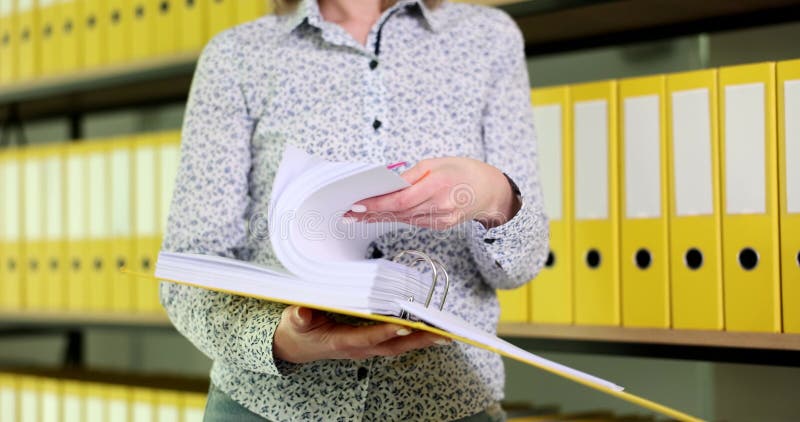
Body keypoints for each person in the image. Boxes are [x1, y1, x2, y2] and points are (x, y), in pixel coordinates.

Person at [161, 0, 549, 420]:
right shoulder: (237, 54)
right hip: (268, 407)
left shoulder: (488, 38)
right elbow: (188, 268)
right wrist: (279, 340)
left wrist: (492, 194)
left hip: (448, 402)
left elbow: (518, 267)